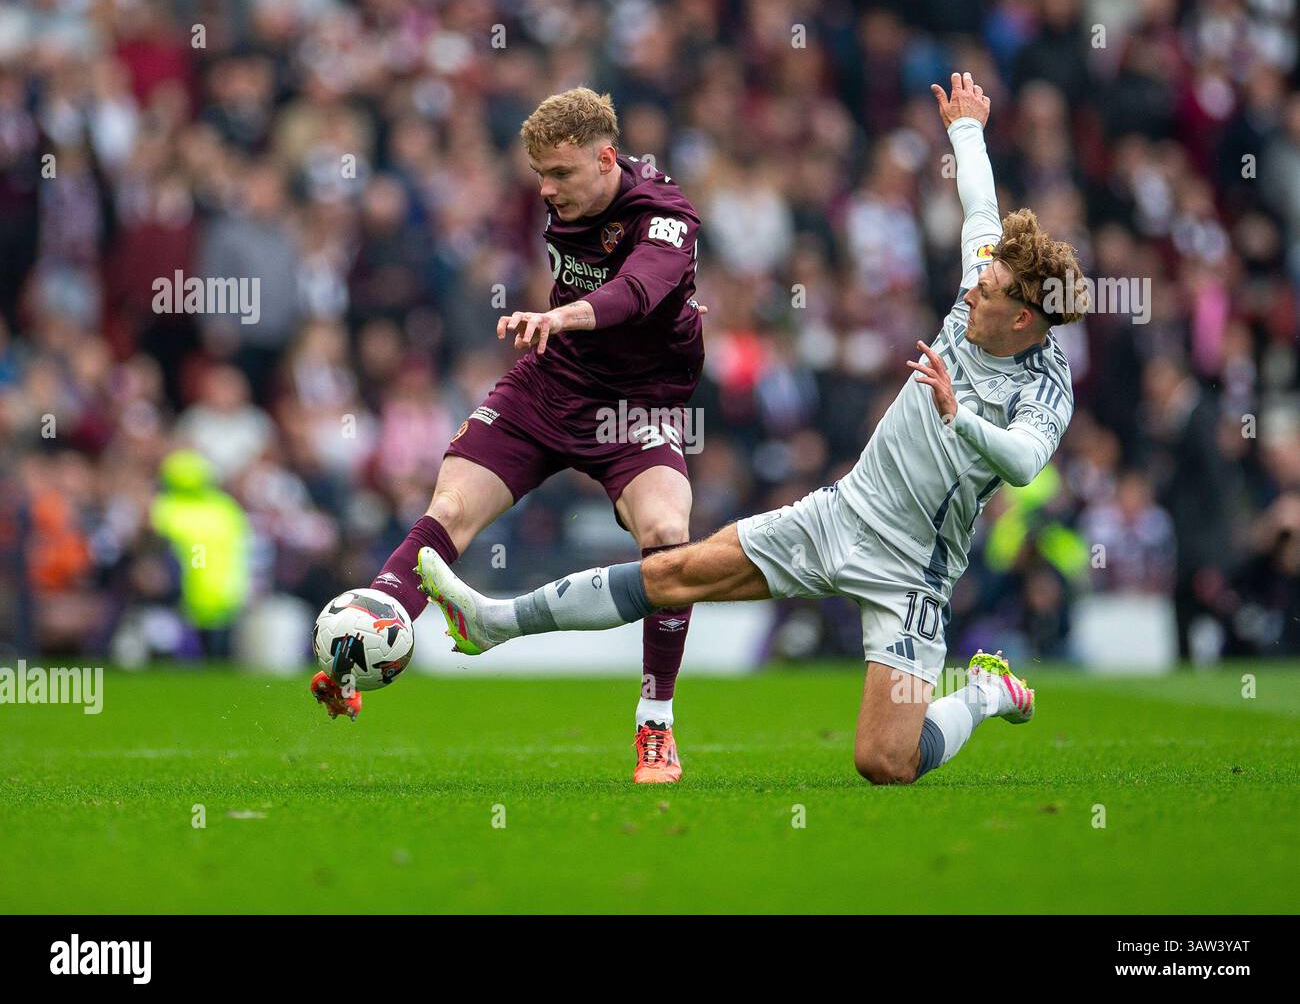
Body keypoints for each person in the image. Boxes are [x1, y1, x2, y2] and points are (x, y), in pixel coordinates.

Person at [417, 73, 1089, 785]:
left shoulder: (1046, 388)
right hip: (840, 512)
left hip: (913, 571)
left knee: (884, 761)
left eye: (993, 289)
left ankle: (984, 691)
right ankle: (494, 623)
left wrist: (963, 419)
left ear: (1023, 317)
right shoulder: (987, 279)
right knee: (673, 571)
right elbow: (978, 199)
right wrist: (966, 128)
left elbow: (1020, 463)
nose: (977, 282)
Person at [312, 88, 707, 784]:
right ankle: (359, 643)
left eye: (559, 174)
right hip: (549, 388)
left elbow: (639, 292)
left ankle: (655, 724)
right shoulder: (556, 198)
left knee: (670, 540)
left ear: (605, 157)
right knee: (449, 510)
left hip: (635, 409)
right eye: (538, 176)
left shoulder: (664, 214)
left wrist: (566, 315)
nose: (546, 190)